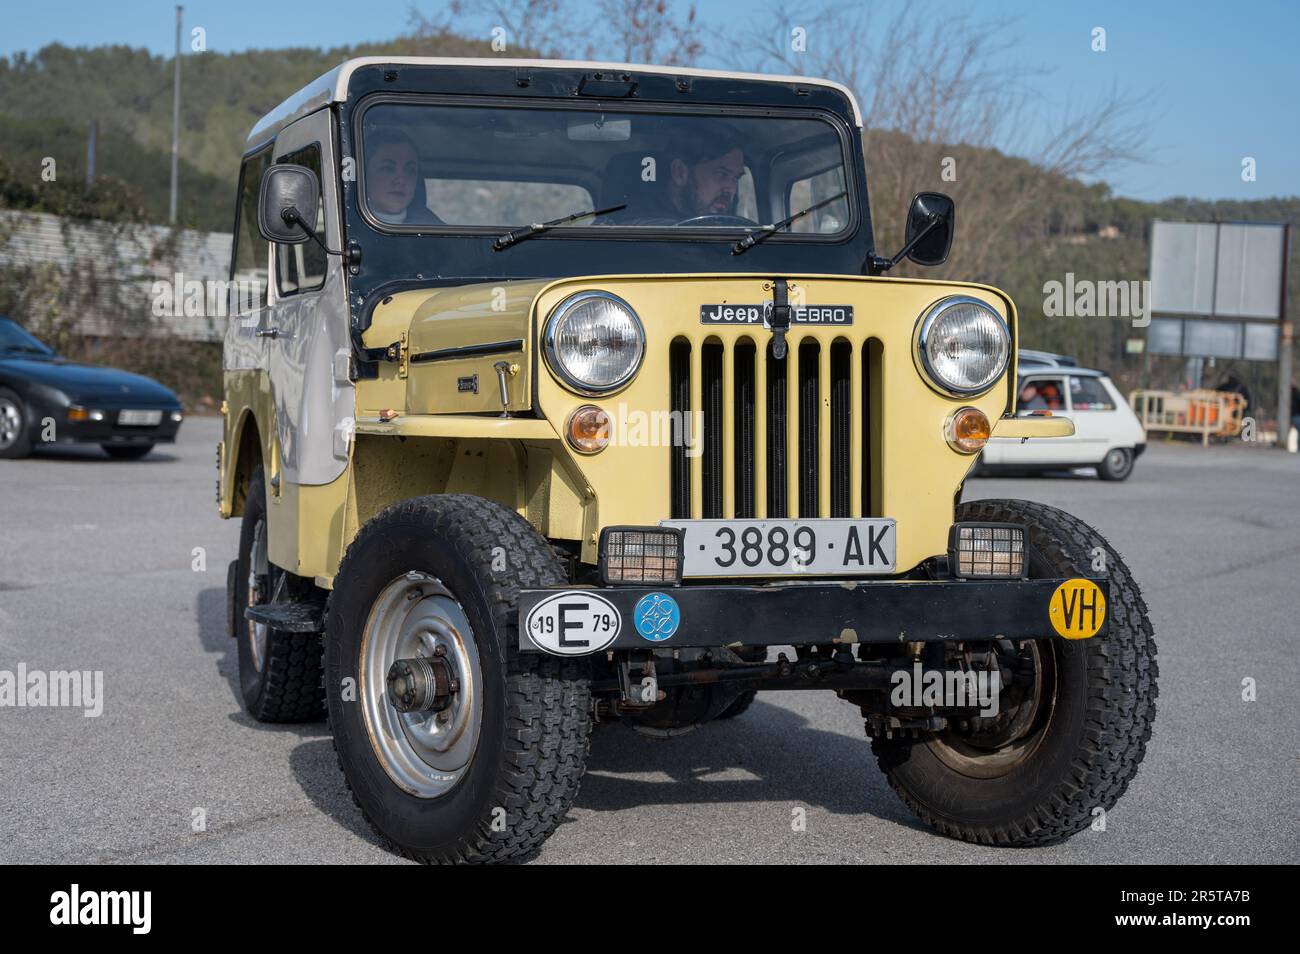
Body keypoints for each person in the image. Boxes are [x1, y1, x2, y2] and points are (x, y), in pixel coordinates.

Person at [364, 128, 443, 225]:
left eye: (410, 171)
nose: (401, 180)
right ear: (364, 176)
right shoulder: (343, 227)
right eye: (388, 169)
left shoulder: (436, 232)